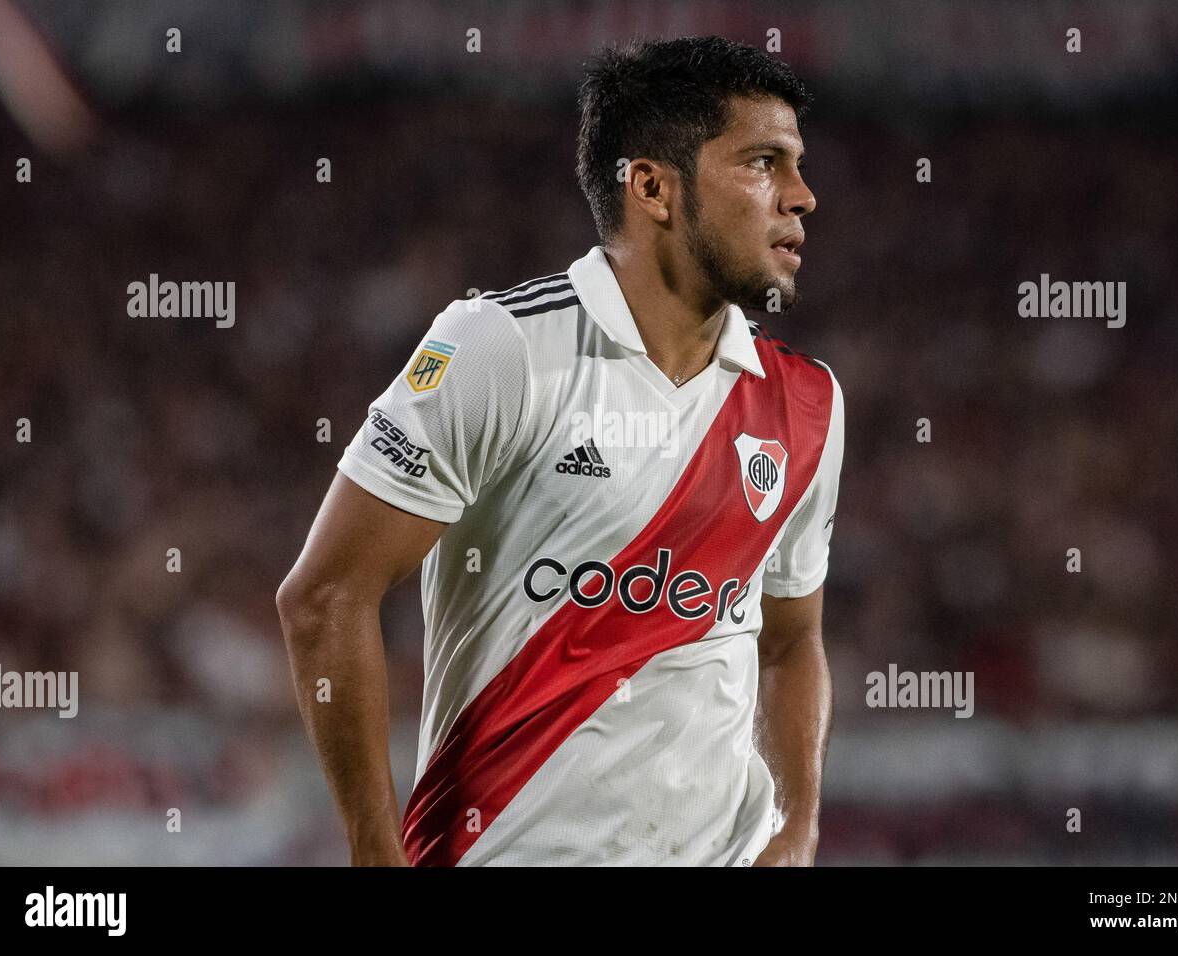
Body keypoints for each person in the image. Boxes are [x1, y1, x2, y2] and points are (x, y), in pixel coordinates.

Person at [277, 35, 844, 866]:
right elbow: (325, 598)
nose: (803, 197)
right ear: (652, 186)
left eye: (796, 164)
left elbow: (792, 640)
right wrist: (374, 851)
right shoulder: (502, 350)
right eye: (764, 162)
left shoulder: (806, 402)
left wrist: (797, 825)